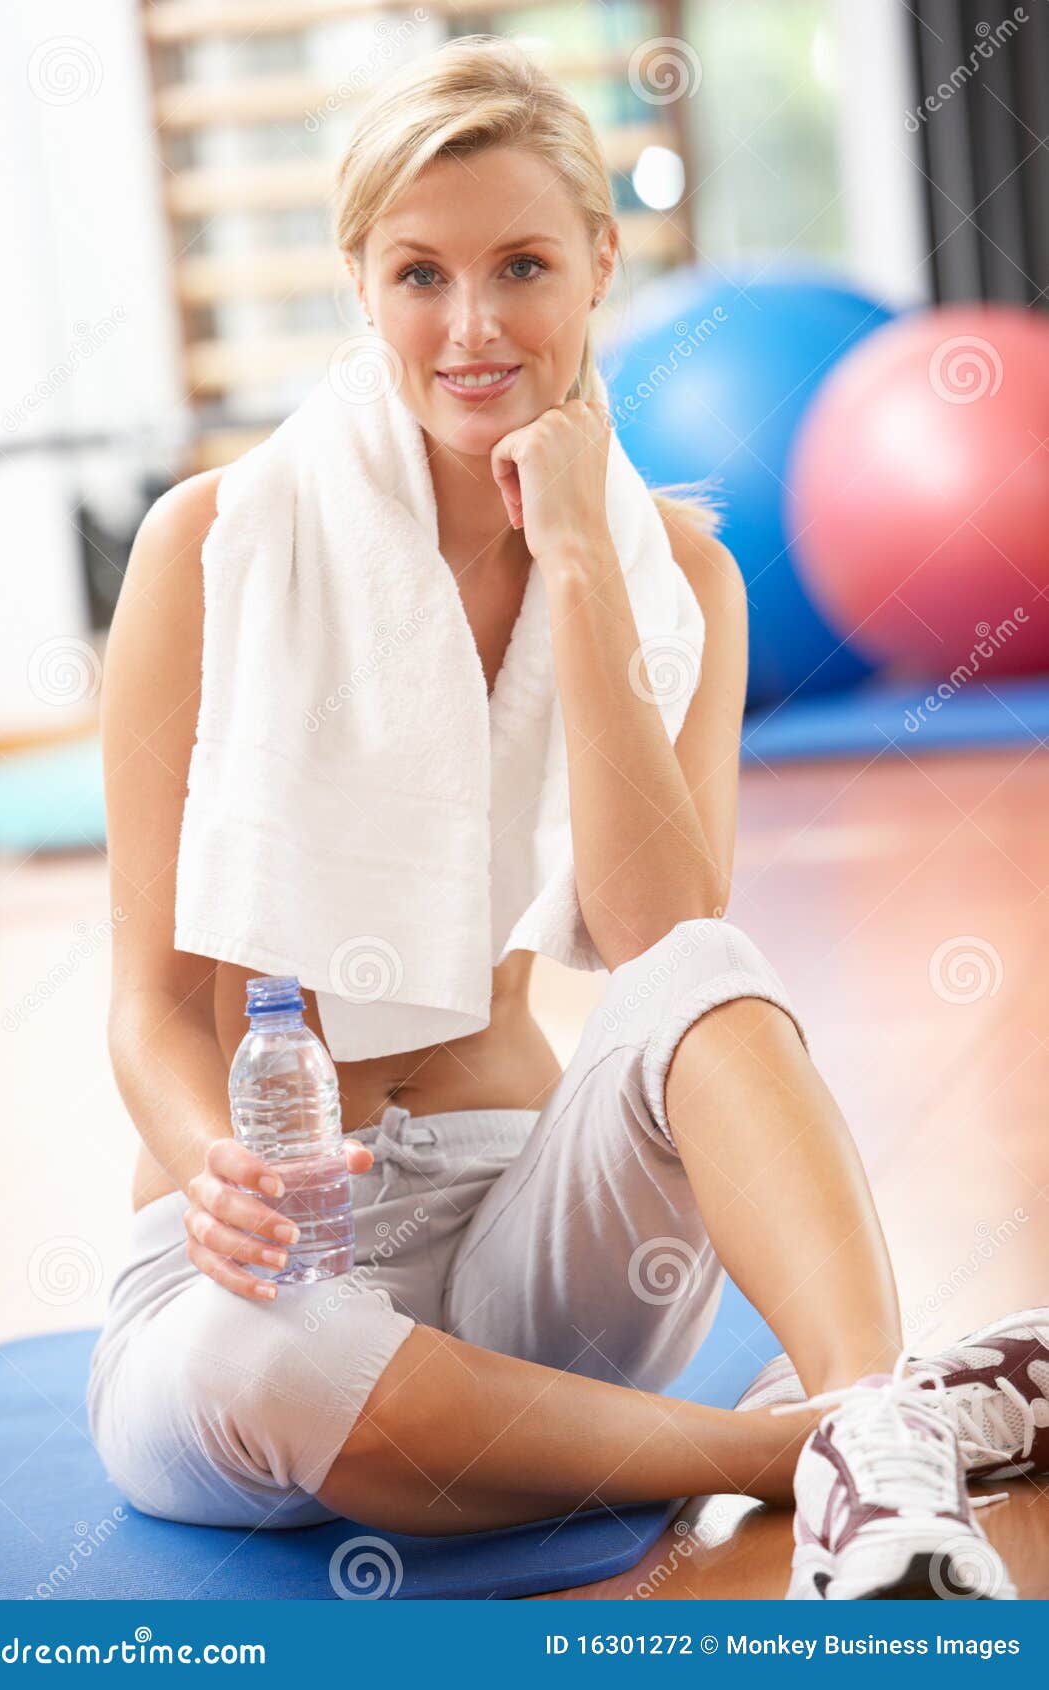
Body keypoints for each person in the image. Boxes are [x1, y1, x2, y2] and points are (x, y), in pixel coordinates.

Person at [88, 36, 1046, 1601]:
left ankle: (866, 1433)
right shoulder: (212, 547)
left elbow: (666, 942)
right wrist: (218, 1173)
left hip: (529, 1230)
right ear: (360, 283)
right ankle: (855, 1436)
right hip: (258, 1276)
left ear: (601, 262)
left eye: (522, 264)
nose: (471, 328)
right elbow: (144, 1009)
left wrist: (590, 573)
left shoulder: (687, 580)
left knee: (708, 971)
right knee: (271, 1361)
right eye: (418, 275)